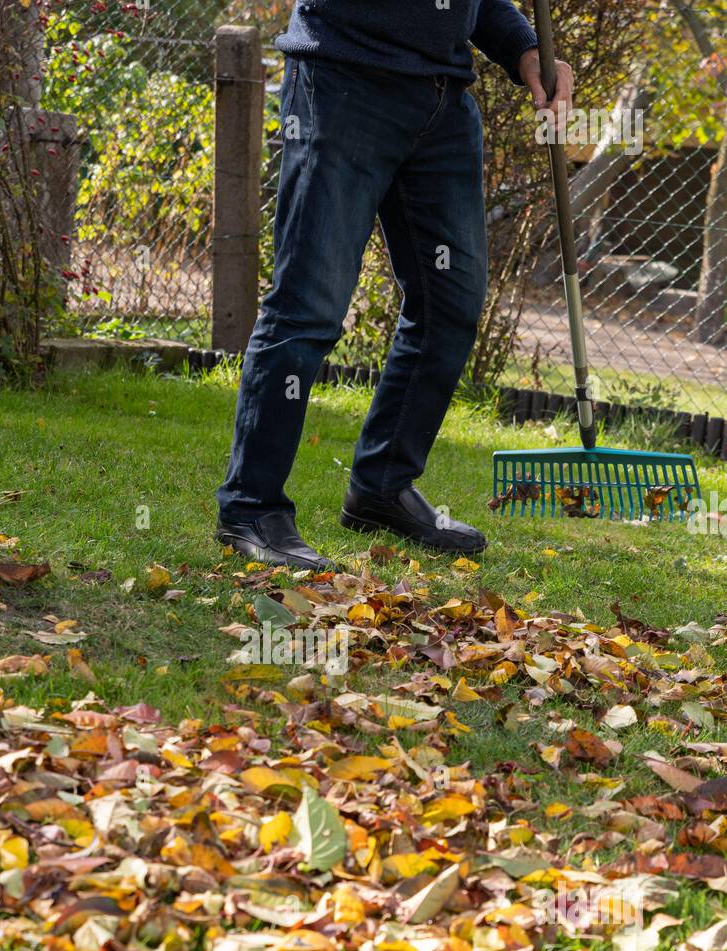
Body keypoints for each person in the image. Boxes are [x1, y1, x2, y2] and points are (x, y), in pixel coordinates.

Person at [216, 0, 574, 569]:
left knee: (450, 303)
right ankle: (252, 506)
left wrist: (524, 48)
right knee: (308, 305)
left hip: (441, 101)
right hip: (342, 81)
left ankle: (382, 488)